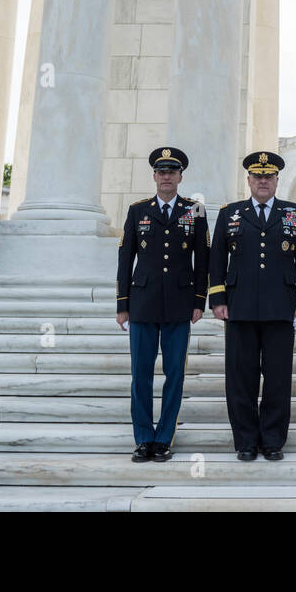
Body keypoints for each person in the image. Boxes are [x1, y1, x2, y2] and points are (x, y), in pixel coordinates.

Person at [208, 151, 296, 461]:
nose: (263, 181)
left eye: (268, 176)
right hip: (239, 307)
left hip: (281, 308)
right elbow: (217, 260)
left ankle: (272, 440)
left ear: (277, 180)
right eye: (257, 176)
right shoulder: (231, 213)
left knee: (278, 377)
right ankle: (245, 441)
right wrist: (218, 299)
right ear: (249, 180)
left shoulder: (294, 213)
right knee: (241, 377)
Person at [116, 146, 208, 463]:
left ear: (180, 176)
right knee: (141, 374)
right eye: (161, 171)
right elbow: (125, 258)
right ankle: (143, 438)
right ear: (154, 176)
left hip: (180, 304)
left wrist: (199, 300)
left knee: (174, 375)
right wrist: (122, 304)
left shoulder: (195, 210)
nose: (166, 176)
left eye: (172, 171)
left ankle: (164, 438)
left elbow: (203, 260)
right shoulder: (137, 210)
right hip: (142, 303)